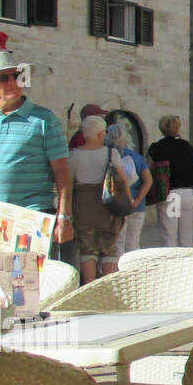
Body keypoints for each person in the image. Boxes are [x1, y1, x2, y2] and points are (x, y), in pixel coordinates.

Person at [0, 40, 72, 259]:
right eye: (4, 77)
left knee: (28, 290)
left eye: (17, 76)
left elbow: (63, 174)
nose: (13, 82)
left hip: (32, 216)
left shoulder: (45, 120)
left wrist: (64, 217)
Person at [69, 115, 136, 282]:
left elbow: (69, 184)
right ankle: (108, 288)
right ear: (100, 134)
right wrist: (129, 201)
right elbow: (122, 179)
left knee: (87, 250)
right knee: (109, 248)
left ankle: (89, 288)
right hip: (108, 205)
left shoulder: (74, 155)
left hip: (82, 205)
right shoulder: (110, 153)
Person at [147, 114, 193, 247]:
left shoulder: (157, 148)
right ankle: (189, 265)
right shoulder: (187, 147)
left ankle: (172, 265)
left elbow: (149, 169)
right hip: (188, 194)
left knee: (169, 235)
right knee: (188, 237)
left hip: (170, 194)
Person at [108, 123, 151, 257]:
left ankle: (121, 274)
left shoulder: (108, 154)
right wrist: (137, 200)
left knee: (118, 244)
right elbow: (148, 180)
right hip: (137, 205)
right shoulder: (136, 157)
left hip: (118, 204)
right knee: (133, 243)